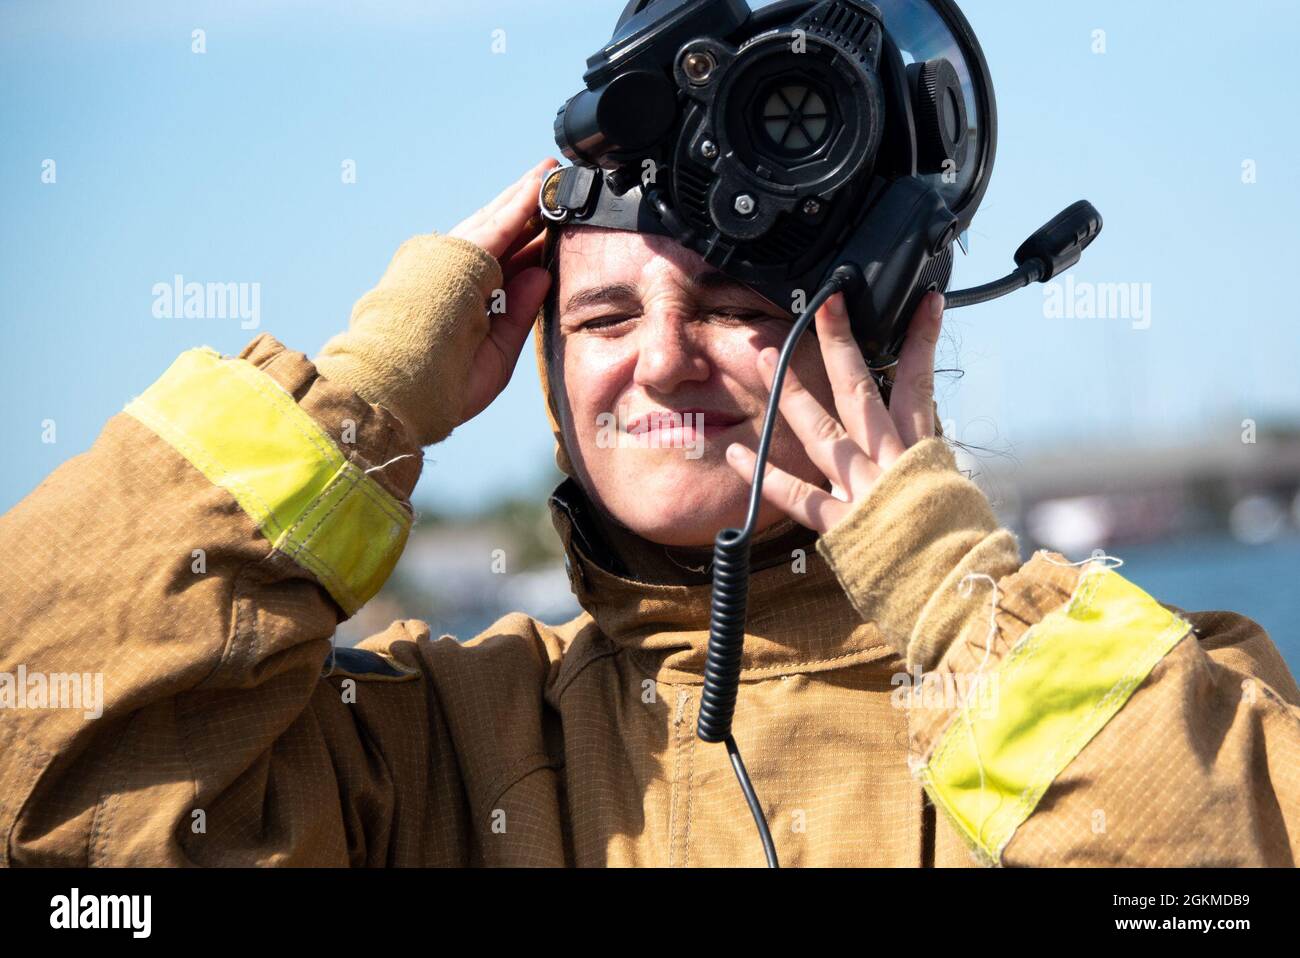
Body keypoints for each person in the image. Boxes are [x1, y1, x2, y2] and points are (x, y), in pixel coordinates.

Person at [1, 156, 1297, 868]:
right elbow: (44, 781)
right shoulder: (434, 743)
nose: (664, 359)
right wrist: (356, 397)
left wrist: (955, 602)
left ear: (887, 344)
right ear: (548, 376)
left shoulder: (1164, 683)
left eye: (736, 307)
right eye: (606, 317)